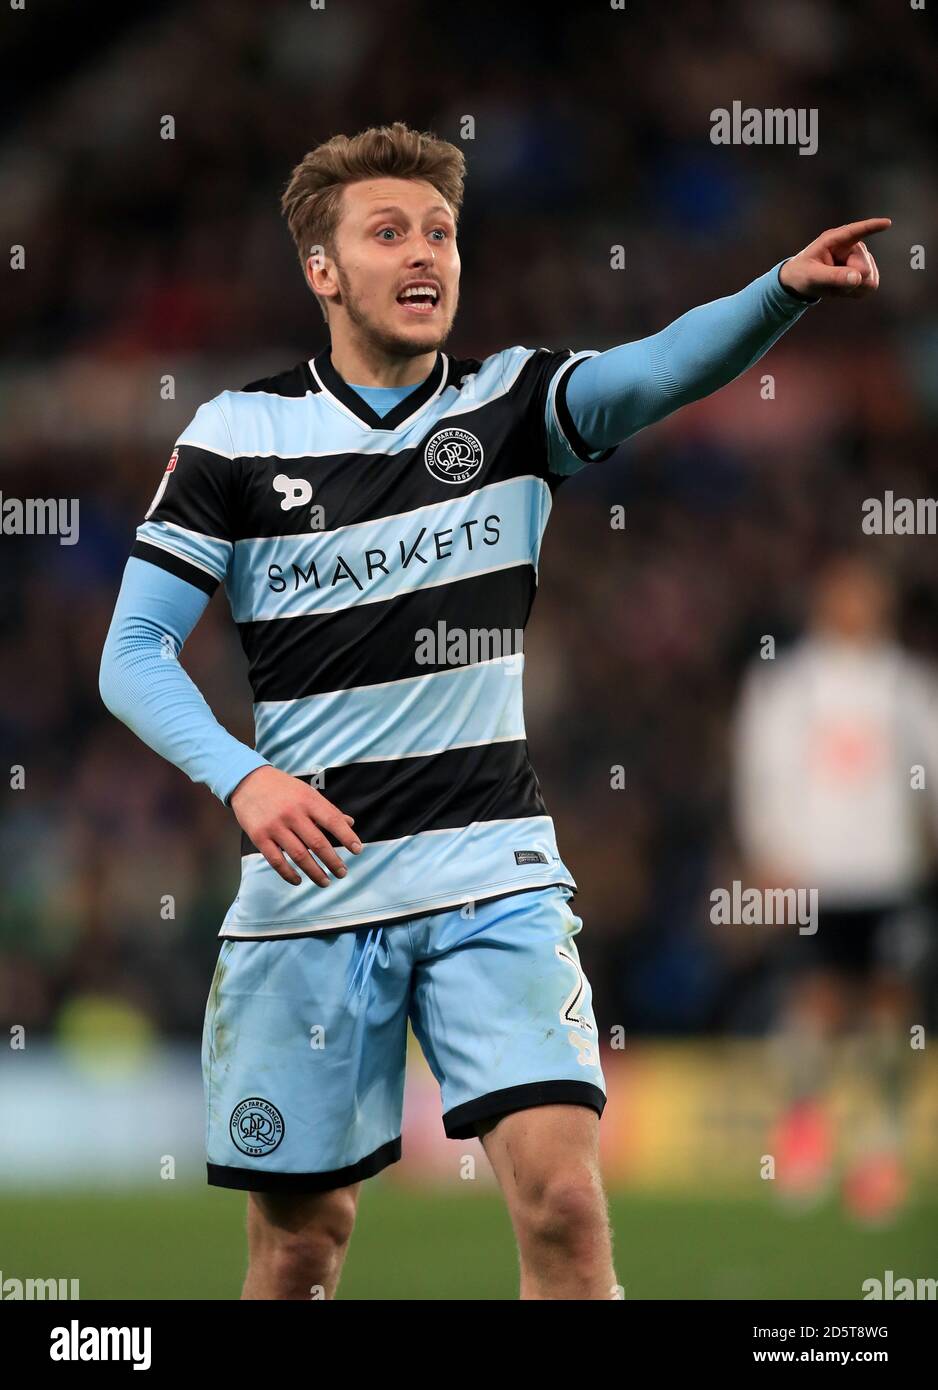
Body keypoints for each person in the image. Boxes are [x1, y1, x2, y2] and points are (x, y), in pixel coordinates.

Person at [99, 119, 888, 1298]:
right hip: (313, 895)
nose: (424, 253)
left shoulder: (512, 403)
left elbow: (653, 366)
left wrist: (775, 292)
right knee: (300, 1249)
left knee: (566, 1205)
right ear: (321, 268)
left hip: (491, 877)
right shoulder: (236, 436)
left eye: (440, 231)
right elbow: (132, 653)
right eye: (387, 232)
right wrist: (243, 775)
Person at [733, 555, 938, 1222]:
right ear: (825, 602)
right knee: (813, 1005)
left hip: (889, 871)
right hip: (815, 872)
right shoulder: (789, 684)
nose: (860, 606)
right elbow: (761, 771)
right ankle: (802, 1138)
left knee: (889, 1009)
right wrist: (769, 850)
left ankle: (880, 1149)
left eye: (870, 595)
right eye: (848, 594)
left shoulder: (908, 684)